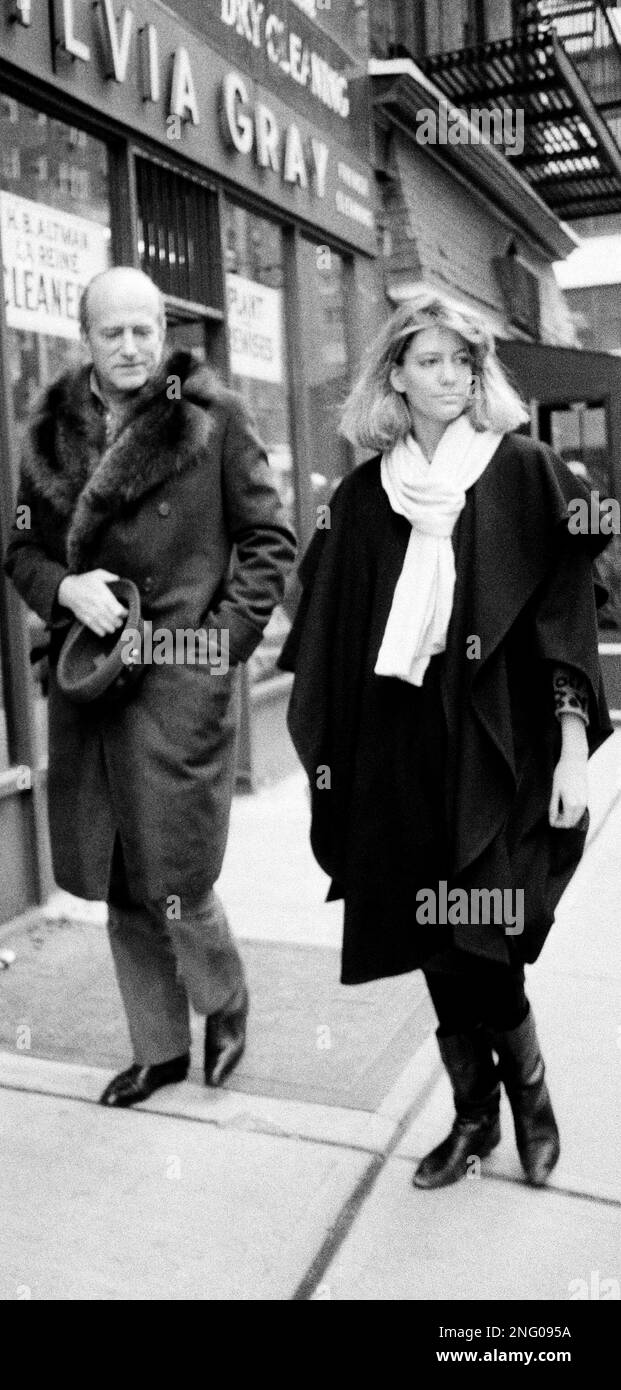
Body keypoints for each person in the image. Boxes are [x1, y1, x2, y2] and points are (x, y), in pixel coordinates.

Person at [279, 292, 613, 1189]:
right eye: (431, 362)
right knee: (430, 936)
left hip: (500, 754)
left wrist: (573, 750)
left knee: (486, 936)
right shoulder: (358, 500)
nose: (451, 377)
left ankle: (531, 1102)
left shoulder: (525, 473)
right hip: (398, 756)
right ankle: (473, 1119)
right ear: (395, 374)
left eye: (464, 363)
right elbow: (324, 631)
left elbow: (566, 617)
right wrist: (331, 768)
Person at [4, 266, 296, 1107]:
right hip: (92, 681)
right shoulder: (50, 434)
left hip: (175, 680)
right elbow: (21, 549)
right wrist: (63, 588)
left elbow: (270, 541)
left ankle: (223, 994)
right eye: (111, 332)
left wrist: (220, 646)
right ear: (84, 337)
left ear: (162, 329)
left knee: (175, 873)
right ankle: (159, 1050)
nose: (129, 347)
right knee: (120, 876)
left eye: (143, 330)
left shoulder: (215, 416)